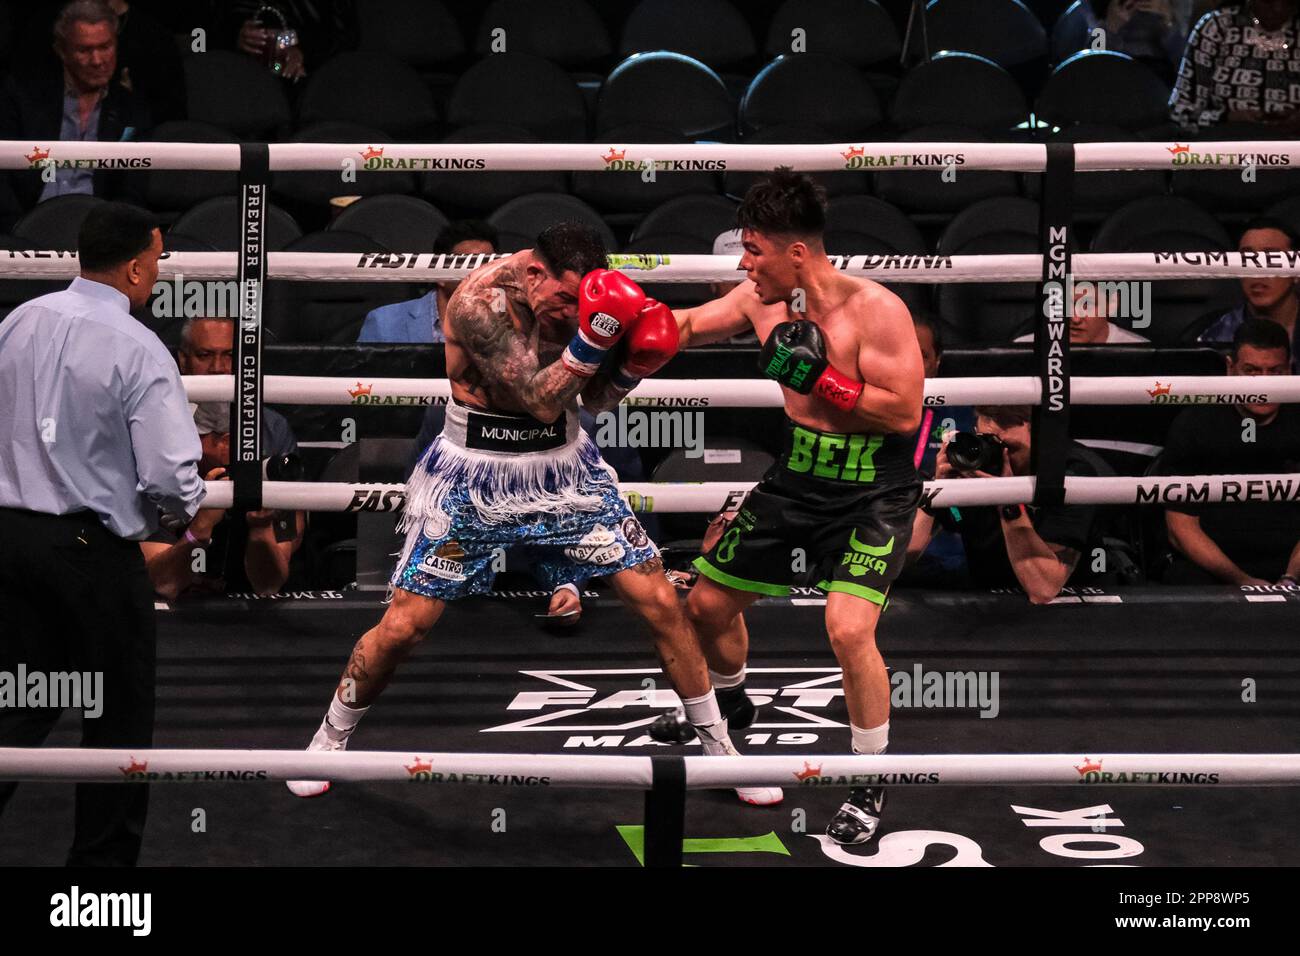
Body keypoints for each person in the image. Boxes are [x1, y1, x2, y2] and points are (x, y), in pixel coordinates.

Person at [286, 222, 781, 807]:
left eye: (582, 302)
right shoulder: (478, 303)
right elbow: (540, 396)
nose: (569, 313)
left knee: (658, 601)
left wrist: (631, 366)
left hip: (565, 467)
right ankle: (327, 738)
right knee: (405, 625)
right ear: (532, 273)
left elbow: (592, 400)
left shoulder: (595, 294)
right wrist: (596, 340)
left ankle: (720, 752)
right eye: (562, 301)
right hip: (476, 470)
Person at [654, 170, 925, 844]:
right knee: (708, 607)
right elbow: (686, 326)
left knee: (848, 629)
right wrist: (618, 323)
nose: (744, 266)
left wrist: (821, 379)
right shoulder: (761, 300)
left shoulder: (876, 311)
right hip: (800, 476)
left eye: (753, 251)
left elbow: (904, 413)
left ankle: (869, 781)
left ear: (795, 253)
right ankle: (736, 704)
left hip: (874, 489)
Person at [0, 201, 203, 866]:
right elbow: (171, 476)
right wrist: (181, 518)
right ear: (139, 265)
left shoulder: (18, 322)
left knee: (22, 703)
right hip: (89, 553)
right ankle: (100, 882)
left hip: (9, 540)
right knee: (116, 718)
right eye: (158, 259)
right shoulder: (137, 345)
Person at [907, 404, 1113, 603]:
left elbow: (1043, 589)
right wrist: (936, 494)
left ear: (1040, 439)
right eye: (988, 442)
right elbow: (898, 562)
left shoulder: (1069, 474)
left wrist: (1008, 501)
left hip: (1073, 611)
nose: (999, 455)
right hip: (989, 606)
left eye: (1010, 448)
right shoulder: (969, 466)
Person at [1156, 319, 1300, 584]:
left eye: (1275, 372)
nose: (1263, 385)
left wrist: (1291, 576)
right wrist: (1244, 582)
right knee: (1184, 579)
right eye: (1252, 371)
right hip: (1214, 570)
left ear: (1290, 371)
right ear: (1230, 369)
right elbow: (1180, 527)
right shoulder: (1195, 424)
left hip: (1291, 566)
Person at [0, 0, 152, 227]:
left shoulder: (131, 109)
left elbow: (132, 191)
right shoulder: (22, 97)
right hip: (27, 227)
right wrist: (18, 231)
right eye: (84, 50)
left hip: (99, 235)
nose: (98, 60)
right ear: (61, 50)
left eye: (105, 47)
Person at [139, 401, 305, 600]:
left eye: (193, 435)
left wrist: (261, 527)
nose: (177, 442)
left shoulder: (266, 479)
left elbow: (268, 585)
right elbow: (164, 583)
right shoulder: (166, 475)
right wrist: (201, 526)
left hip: (253, 615)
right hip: (179, 614)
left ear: (225, 442)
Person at [903, 313, 974, 585]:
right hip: (879, 536)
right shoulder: (864, 414)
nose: (909, 364)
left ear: (937, 361)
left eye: (921, 355)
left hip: (948, 544)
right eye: (901, 352)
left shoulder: (964, 413)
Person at [358, 220, 500, 344]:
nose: (482, 274)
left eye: (489, 265)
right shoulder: (384, 324)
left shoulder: (514, 323)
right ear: (440, 275)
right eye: (470, 266)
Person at [1170, 0, 1300, 133]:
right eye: (1268, 2)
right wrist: (1225, 117)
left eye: (1288, 3)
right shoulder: (1218, 26)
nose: (1278, 9)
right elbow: (1180, 113)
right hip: (1227, 141)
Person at [1197, 219, 1299, 366]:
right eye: (1247, 259)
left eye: (1271, 258)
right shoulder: (1213, 338)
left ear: (1296, 271)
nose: (1257, 271)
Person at [1084, 1, 1194, 83]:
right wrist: (1110, 28)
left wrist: (1169, 22)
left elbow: (1185, 65)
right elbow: (1092, 58)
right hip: (1110, 72)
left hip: (1157, 76)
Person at [1013, 282, 1150, 345]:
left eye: (1087, 305)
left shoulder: (1140, 353)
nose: (1075, 318)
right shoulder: (1024, 349)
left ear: (1111, 305)